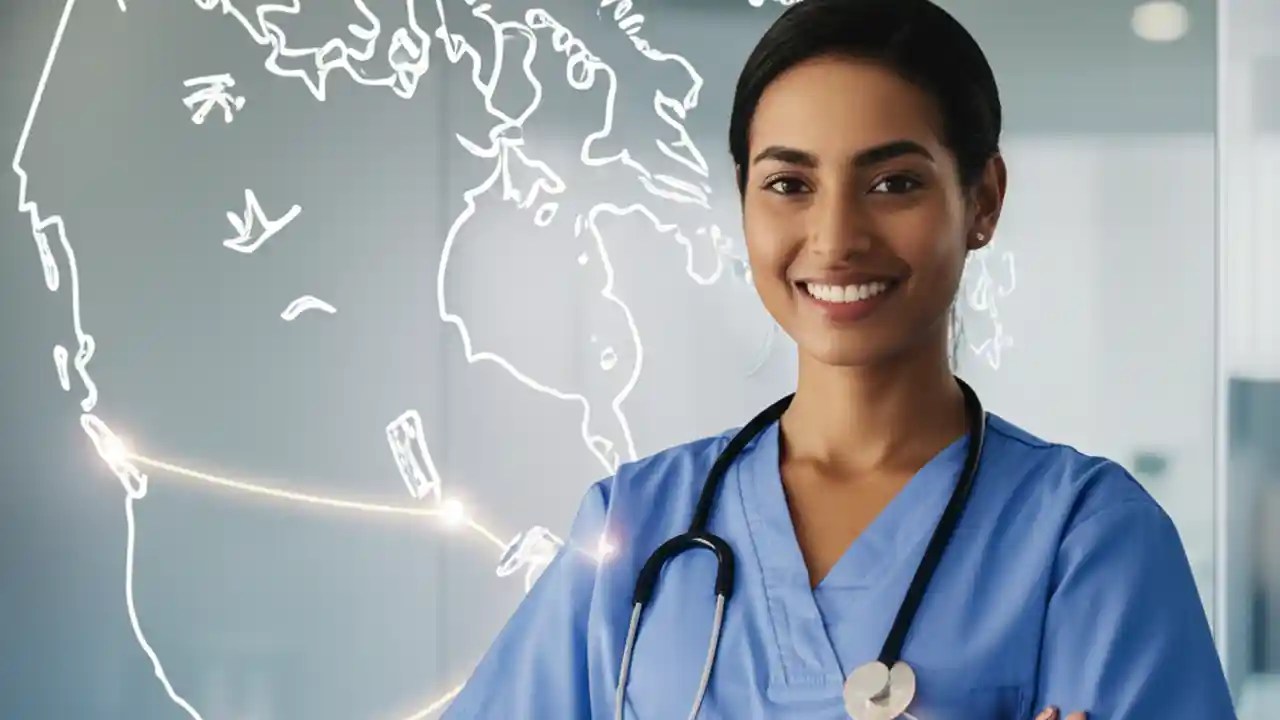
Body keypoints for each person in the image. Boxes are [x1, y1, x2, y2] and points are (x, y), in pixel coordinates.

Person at [440, 0, 1237, 717]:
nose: (835, 238)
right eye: (788, 183)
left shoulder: (1085, 538)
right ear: (744, 203)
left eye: (893, 183)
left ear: (983, 201)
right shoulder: (636, 527)